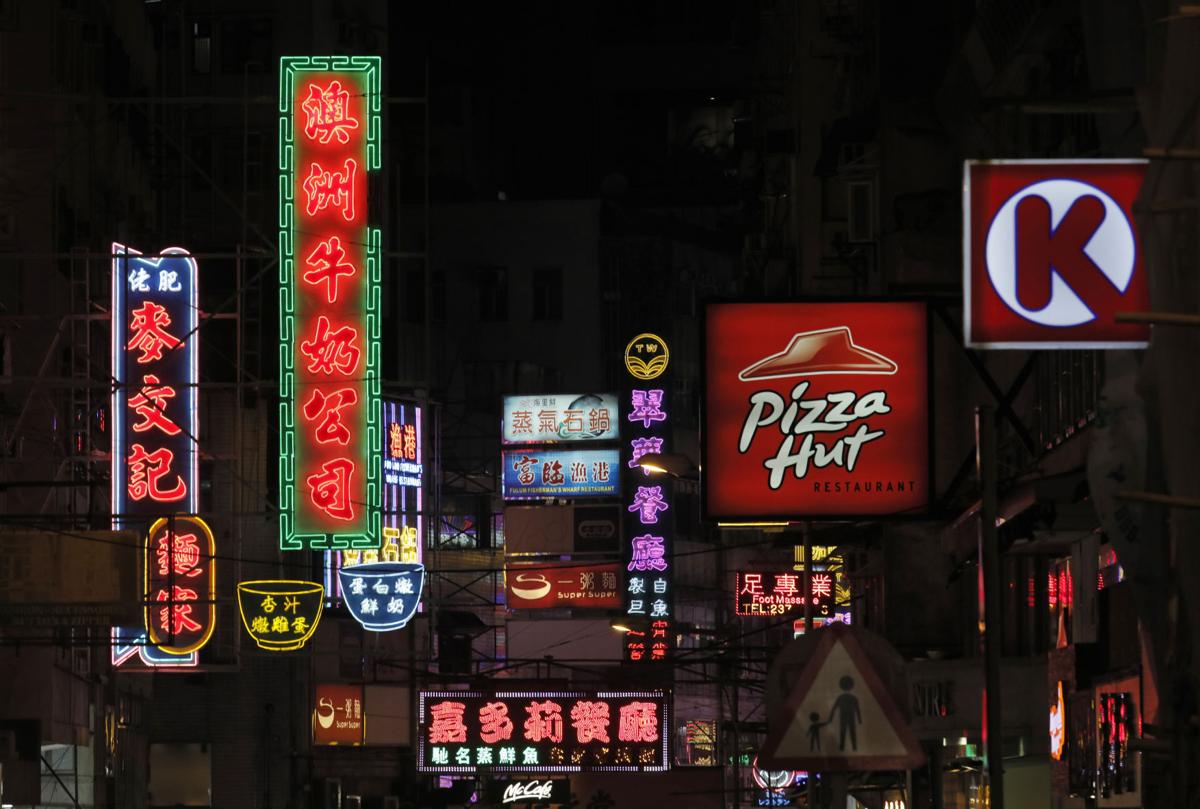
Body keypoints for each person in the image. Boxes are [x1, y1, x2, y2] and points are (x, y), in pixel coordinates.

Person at [828, 675, 862, 751]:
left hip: (843, 717)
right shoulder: (853, 698)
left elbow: (834, 708)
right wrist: (859, 720)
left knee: (843, 731)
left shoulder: (840, 697)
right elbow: (857, 709)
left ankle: (842, 747)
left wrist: (830, 718)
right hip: (850, 718)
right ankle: (854, 747)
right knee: (851, 731)